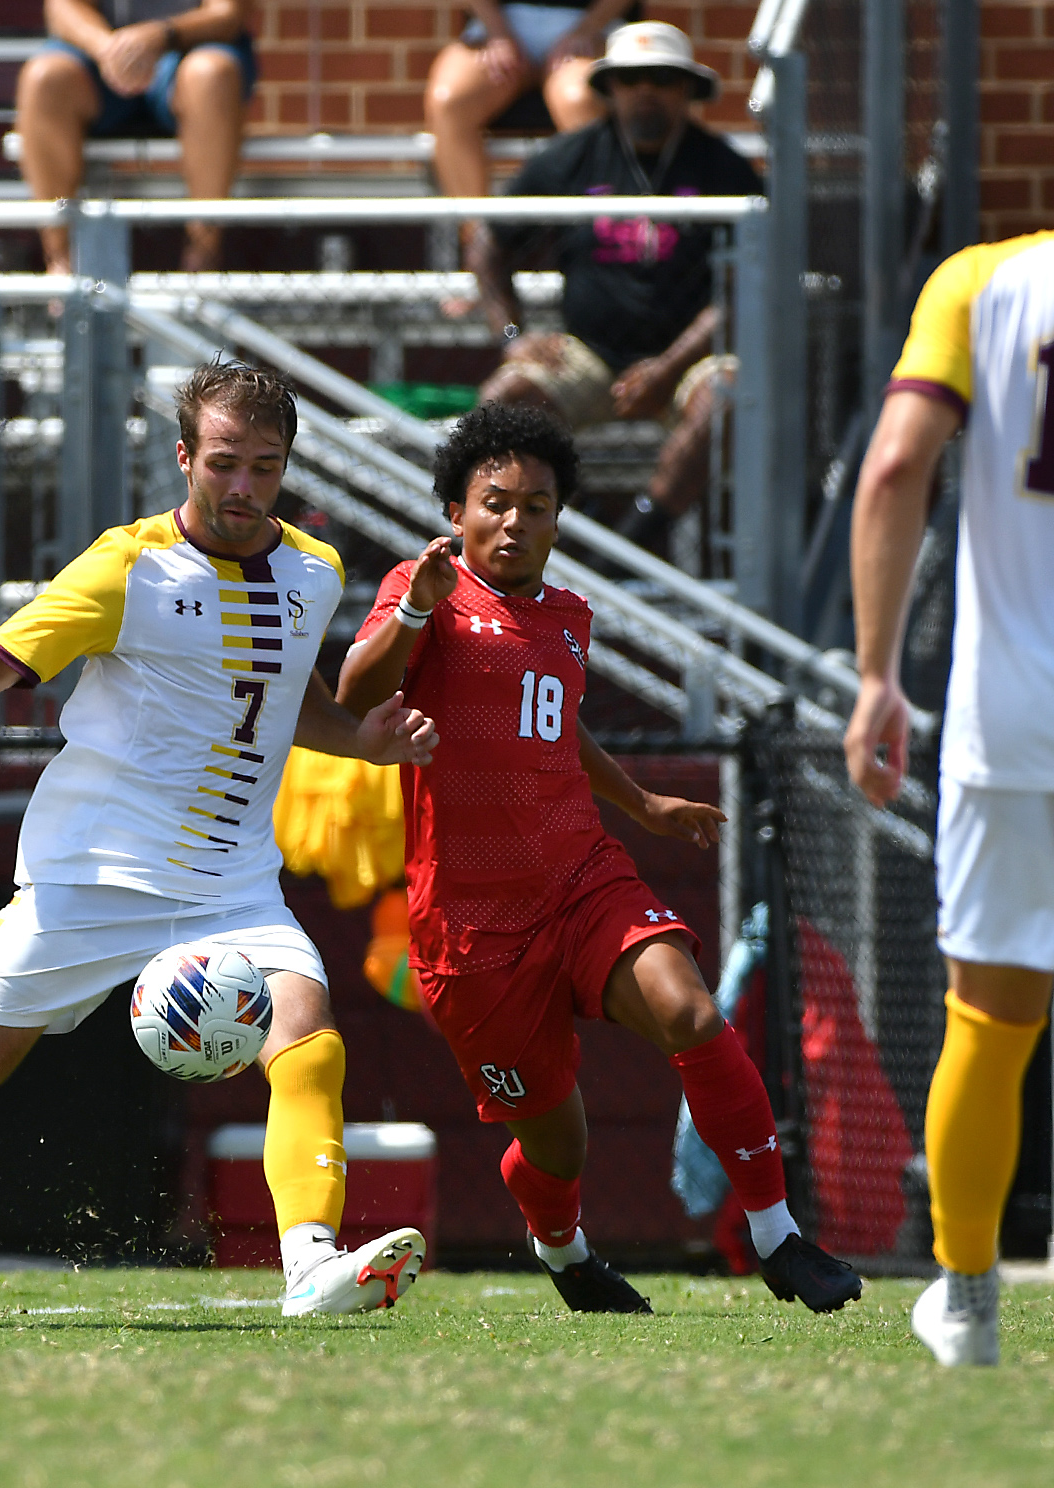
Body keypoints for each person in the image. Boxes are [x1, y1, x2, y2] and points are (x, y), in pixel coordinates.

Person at [0, 362, 440, 1316]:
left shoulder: (312, 573)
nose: (243, 487)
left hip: (233, 884)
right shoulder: (127, 566)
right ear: (184, 459)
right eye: (223, 463)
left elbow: (286, 701)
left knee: (309, 1040)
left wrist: (362, 741)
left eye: (265, 466)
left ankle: (309, 1267)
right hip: (95, 871)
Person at [338, 400, 862, 1315]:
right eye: (494, 502)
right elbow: (355, 691)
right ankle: (565, 1251)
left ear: (558, 518)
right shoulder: (423, 590)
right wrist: (416, 607)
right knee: (558, 1147)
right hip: (470, 925)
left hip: (579, 876)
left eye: (536, 506)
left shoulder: (571, 616)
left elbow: (557, 727)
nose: (514, 521)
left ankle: (779, 1236)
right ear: (458, 512)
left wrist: (643, 802)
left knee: (690, 1009)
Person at [843, 229, 1054, 1367]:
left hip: (1012, 718)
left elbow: (891, 467)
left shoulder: (982, 279)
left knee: (990, 1016)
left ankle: (966, 1298)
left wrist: (875, 676)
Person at [466, 22, 760, 552]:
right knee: (505, 401)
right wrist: (513, 335)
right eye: (631, 79)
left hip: (690, 360)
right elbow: (489, 241)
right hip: (590, 357)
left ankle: (642, 537)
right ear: (610, 89)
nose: (647, 91)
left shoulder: (722, 167)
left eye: (663, 79)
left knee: (730, 397)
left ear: (688, 90)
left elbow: (745, 288)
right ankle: (582, 527)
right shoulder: (573, 156)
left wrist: (666, 368)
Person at [16, 0, 254, 273]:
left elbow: (227, 14)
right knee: (44, 78)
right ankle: (59, 263)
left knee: (211, 74)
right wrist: (110, 49)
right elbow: (62, 9)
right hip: (101, 55)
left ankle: (203, 258)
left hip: (189, 50)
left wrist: (159, 35)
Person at [423, 0, 630, 208]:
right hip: (498, 22)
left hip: (585, 22)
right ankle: (477, 235)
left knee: (581, 100)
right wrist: (498, 33)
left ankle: (594, 231)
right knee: (451, 102)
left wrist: (587, 29)